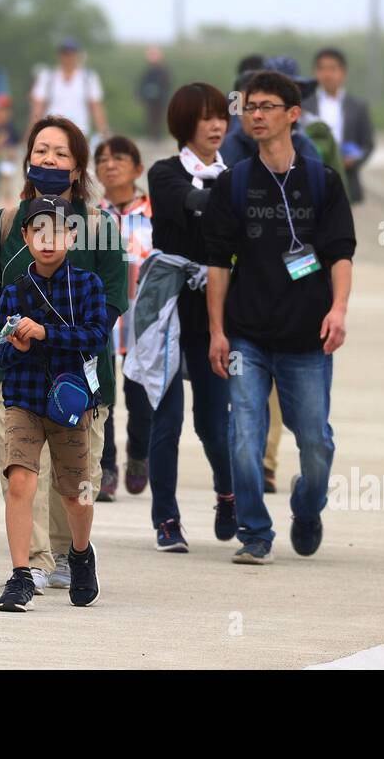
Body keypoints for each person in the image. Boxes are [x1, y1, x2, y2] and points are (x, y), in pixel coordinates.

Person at [0, 116, 127, 593]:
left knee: (76, 479)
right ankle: (33, 562)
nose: (49, 160)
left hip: (80, 380)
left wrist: (52, 336)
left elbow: (114, 306)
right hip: (11, 374)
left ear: (78, 168)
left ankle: (70, 554)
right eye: (41, 151)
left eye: (61, 154)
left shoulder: (100, 227)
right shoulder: (4, 224)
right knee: (23, 473)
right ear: (27, 160)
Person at [204, 70, 356, 564]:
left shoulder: (322, 181)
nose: (256, 115)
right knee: (244, 432)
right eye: (249, 107)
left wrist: (338, 309)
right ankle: (255, 532)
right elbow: (218, 265)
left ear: (293, 114)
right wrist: (217, 332)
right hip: (248, 335)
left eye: (267, 106)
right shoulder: (235, 182)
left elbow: (339, 254)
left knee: (315, 442)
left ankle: (308, 507)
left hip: (307, 337)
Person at [132, 83, 238, 551]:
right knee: (166, 417)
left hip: (214, 310)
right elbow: (196, 206)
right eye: (205, 117)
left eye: (221, 117)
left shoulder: (236, 176)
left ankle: (228, 493)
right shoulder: (165, 173)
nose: (216, 125)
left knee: (213, 422)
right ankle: (167, 519)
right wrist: (245, 204)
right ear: (183, 124)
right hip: (166, 307)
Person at [0, 196, 107, 611]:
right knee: (20, 480)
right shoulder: (12, 292)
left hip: (70, 401)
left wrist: (45, 333)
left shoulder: (88, 285)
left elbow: (96, 337)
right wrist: (17, 345)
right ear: (25, 237)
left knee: (76, 492)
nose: (47, 239)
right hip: (22, 399)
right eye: (37, 230)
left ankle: (79, 554)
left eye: (56, 230)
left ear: (71, 236)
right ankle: (21, 575)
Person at [94, 135, 154, 499]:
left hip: (143, 318)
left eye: (118, 158)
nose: (109, 164)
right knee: (103, 393)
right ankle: (105, 466)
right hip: (100, 317)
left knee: (139, 395)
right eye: (102, 159)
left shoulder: (155, 215)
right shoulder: (89, 217)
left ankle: (139, 454)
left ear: (137, 168)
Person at [301, 47, 373, 203]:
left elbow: (367, 144)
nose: (327, 75)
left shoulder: (358, 106)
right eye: (322, 69)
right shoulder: (304, 105)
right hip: (312, 178)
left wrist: (354, 160)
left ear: (343, 72)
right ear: (315, 72)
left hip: (346, 180)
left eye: (333, 69)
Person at [29, 38, 109, 143]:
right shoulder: (47, 77)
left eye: (71, 54)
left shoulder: (88, 78)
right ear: (59, 55)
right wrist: (32, 135)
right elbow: (37, 110)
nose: (68, 57)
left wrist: (104, 134)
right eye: (65, 53)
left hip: (79, 132)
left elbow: (96, 109)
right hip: (52, 131)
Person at [136, 46, 171, 141]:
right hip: (150, 100)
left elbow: (166, 85)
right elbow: (142, 84)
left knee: (158, 117)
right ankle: (152, 135)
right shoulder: (148, 71)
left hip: (160, 99)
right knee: (150, 116)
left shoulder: (163, 71)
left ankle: (157, 135)